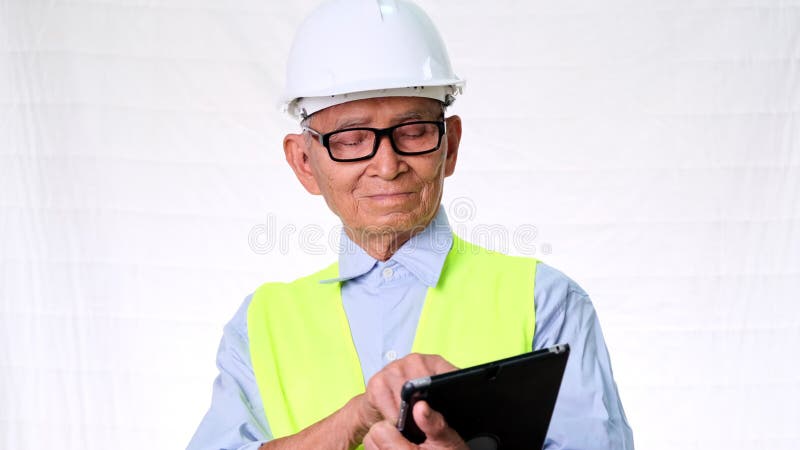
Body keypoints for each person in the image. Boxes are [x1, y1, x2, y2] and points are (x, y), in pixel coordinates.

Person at [188, 0, 634, 449]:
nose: (386, 164)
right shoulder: (261, 325)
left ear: (451, 145)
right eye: (351, 139)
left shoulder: (546, 303)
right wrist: (354, 419)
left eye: (414, 131)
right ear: (304, 162)